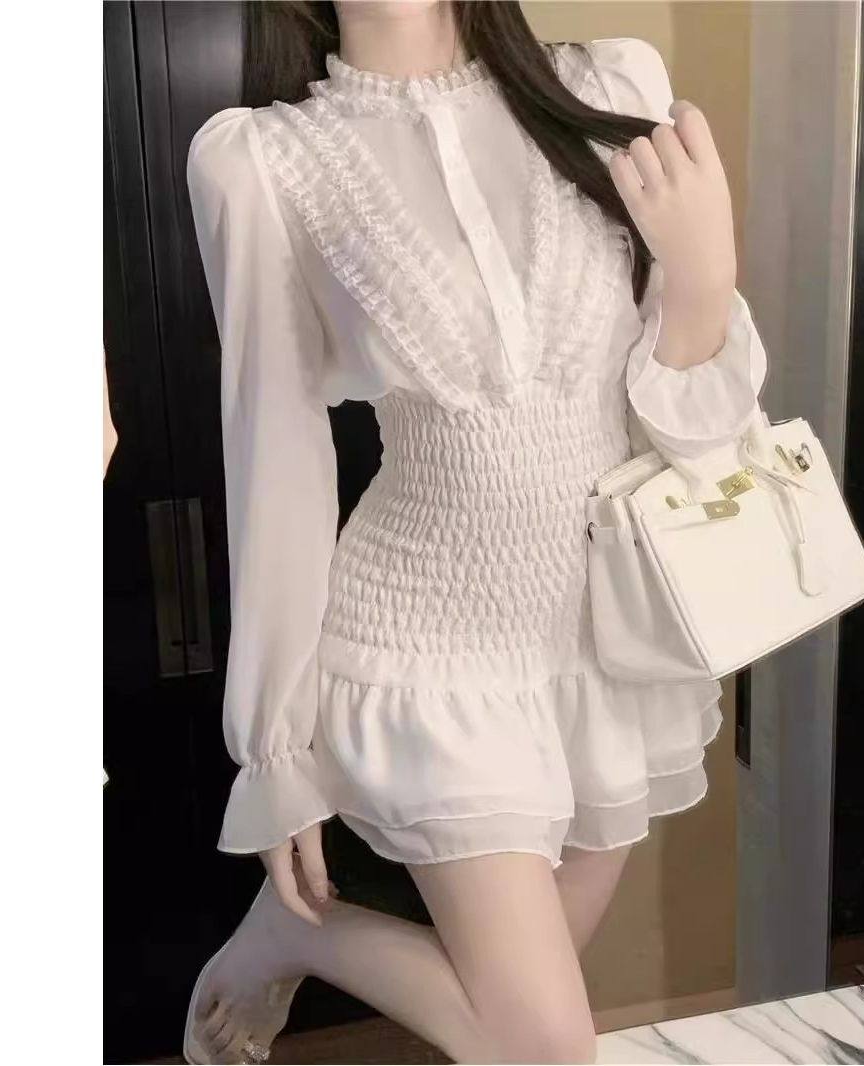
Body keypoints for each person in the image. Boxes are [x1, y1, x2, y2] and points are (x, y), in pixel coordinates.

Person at [184, 2, 766, 1062]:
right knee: (539, 1046)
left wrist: (705, 279)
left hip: (610, 644)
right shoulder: (261, 161)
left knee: (498, 1023)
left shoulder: (609, 88)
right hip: (425, 645)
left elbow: (695, 431)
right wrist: (274, 750)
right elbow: (275, 463)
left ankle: (295, 932)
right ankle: (298, 932)